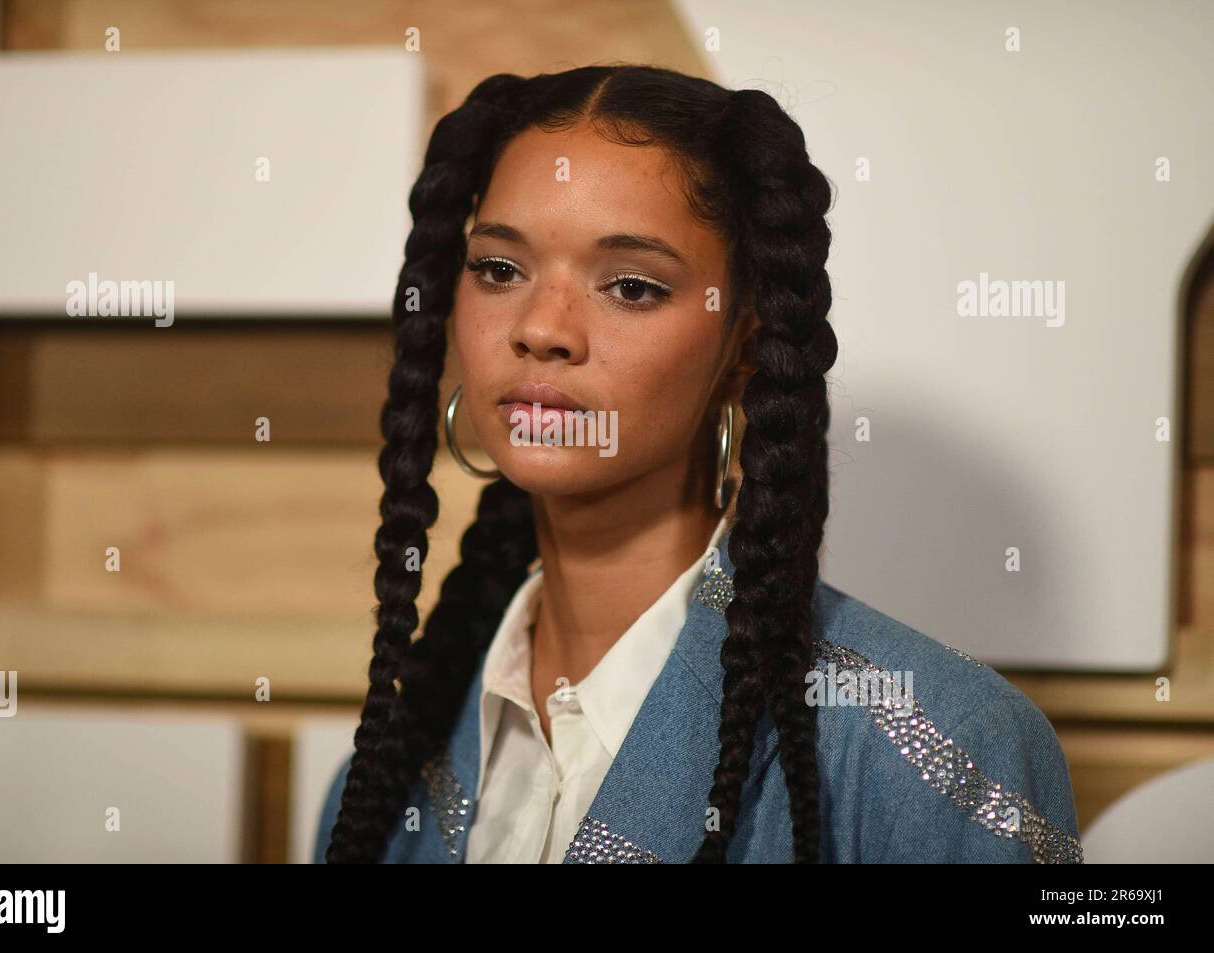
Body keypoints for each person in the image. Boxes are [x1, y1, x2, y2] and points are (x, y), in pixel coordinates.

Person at [316, 64, 1083, 863]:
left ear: (743, 345)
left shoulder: (945, 752)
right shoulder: (376, 793)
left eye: (633, 286)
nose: (543, 328)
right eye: (500, 269)